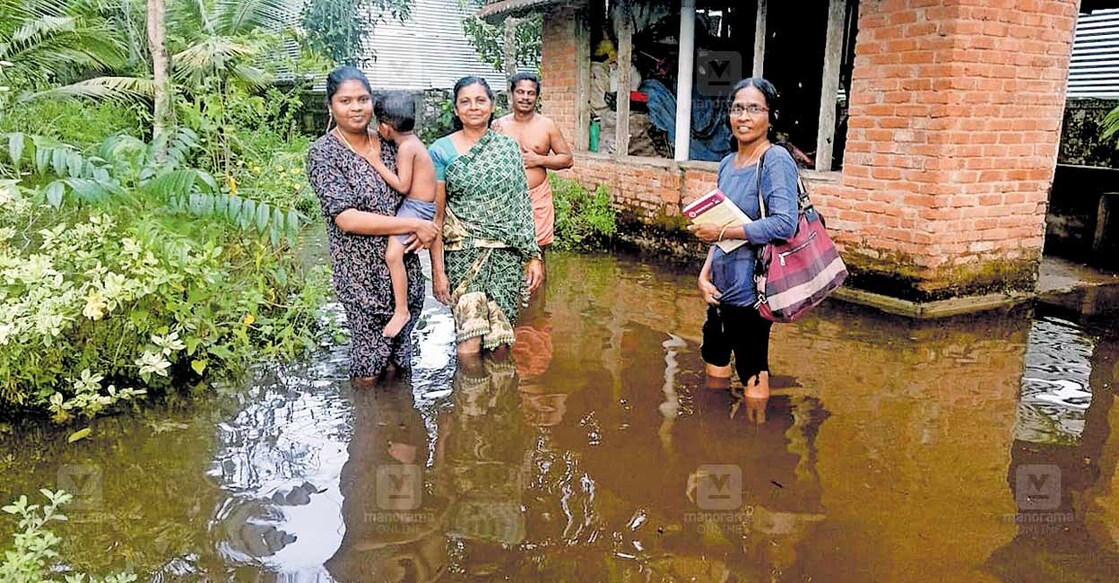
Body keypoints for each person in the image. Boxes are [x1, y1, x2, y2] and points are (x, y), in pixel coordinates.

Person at [306, 66, 439, 383]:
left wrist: (425, 228)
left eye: (362, 99)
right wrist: (410, 225)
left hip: (403, 274)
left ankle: (401, 427)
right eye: (345, 100)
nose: (355, 107)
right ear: (331, 106)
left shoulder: (391, 141)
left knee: (399, 365)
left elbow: (423, 189)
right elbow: (346, 219)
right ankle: (368, 426)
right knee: (368, 371)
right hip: (360, 278)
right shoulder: (324, 153)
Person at [687, 77, 799, 402]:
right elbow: (720, 223)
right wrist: (704, 275)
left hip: (753, 291)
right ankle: (717, 433)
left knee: (752, 369)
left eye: (753, 109)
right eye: (737, 108)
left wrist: (722, 232)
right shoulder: (726, 164)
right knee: (715, 364)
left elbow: (783, 225)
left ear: (770, 116)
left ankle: (755, 439)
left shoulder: (775, 160)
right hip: (720, 289)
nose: (743, 117)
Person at [429, 76, 545, 362]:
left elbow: (520, 205)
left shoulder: (508, 149)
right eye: (465, 102)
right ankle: (468, 404)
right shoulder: (440, 151)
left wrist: (533, 256)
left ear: (492, 106)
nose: (473, 107)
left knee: (501, 342)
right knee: (469, 342)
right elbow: (437, 217)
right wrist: (438, 272)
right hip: (462, 254)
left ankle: (499, 403)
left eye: (480, 100)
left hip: (506, 256)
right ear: (455, 110)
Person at [365, 93, 438, 338]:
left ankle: (401, 310)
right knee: (395, 255)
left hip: (416, 208)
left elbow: (403, 184)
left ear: (385, 127)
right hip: (420, 206)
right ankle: (402, 308)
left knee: (392, 256)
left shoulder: (406, 148)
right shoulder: (413, 142)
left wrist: (376, 163)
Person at [493, 72, 573, 251]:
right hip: (505, 200)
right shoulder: (498, 126)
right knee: (505, 253)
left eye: (530, 93)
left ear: (537, 97)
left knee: (537, 253)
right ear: (511, 94)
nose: (525, 97)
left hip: (537, 198)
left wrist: (539, 160)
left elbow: (567, 159)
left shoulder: (547, 125)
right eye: (520, 92)